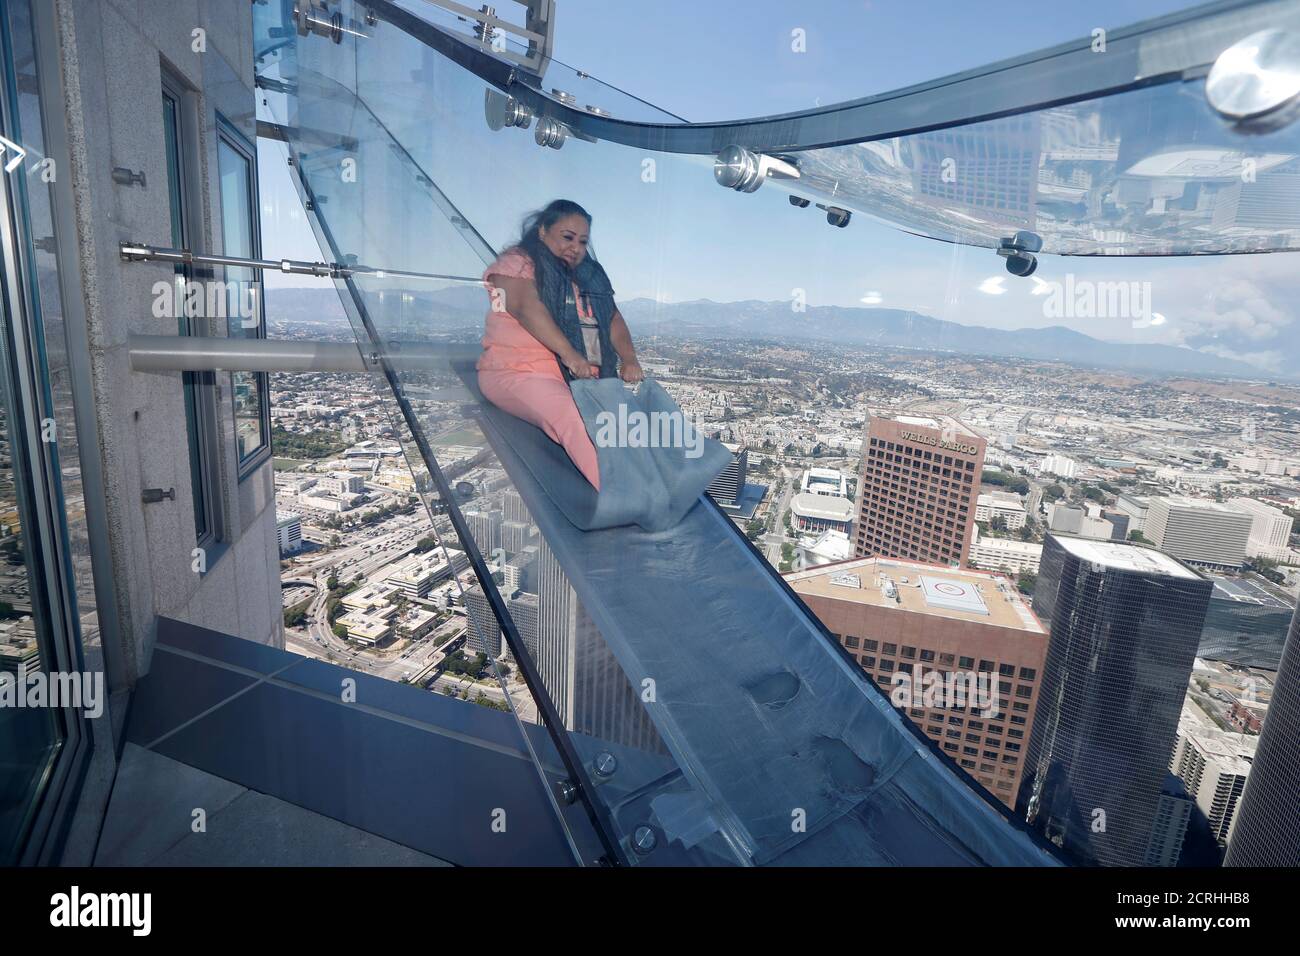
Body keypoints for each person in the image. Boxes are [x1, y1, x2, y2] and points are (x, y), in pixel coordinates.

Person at [477, 200, 643, 490]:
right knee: (574, 418)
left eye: (582, 241)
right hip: (518, 372)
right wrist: (571, 356)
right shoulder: (515, 265)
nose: (575, 247)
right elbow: (526, 307)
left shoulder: (585, 278)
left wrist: (629, 359)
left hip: (575, 378)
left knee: (626, 425)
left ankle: (645, 487)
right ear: (543, 231)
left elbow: (612, 318)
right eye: (567, 237)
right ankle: (624, 497)